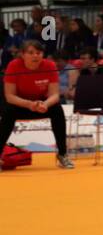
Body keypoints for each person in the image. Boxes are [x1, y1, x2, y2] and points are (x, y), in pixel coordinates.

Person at [1, 40, 74, 169]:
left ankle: (62, 154)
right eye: (31, 53)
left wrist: (45, 104)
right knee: (8, 112)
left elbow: (55, 95)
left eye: (38, 53)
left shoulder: (50, 66)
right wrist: (29, 104)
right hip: (21, 105)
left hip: (41, 105)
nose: (35, 56)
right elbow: (10, 96)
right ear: (22, 54)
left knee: (57, 109)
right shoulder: (13, 66)